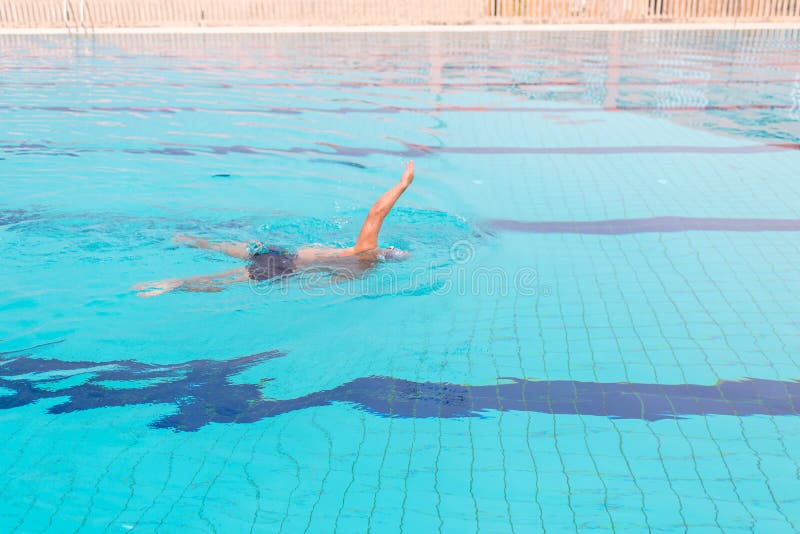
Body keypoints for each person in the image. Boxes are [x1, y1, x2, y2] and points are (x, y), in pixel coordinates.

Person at [132, 161, 415, 297]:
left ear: (383, 252)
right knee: (221, 281)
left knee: (220, 248)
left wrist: (402, 185)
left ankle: (184, 240)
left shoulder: (363, 249)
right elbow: (322, 283)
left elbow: (376, 212)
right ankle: (175, 284)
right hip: (282, 268)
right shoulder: (360, 271)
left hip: (280, 254)